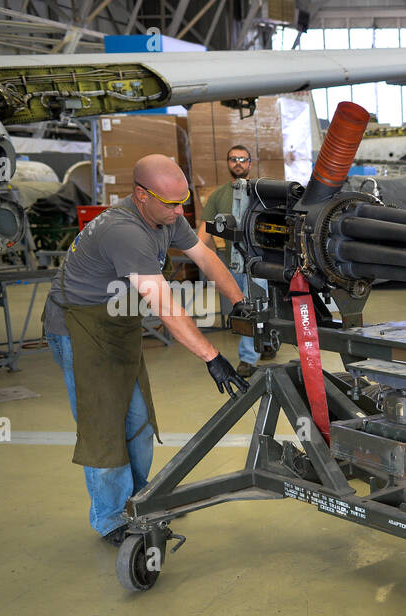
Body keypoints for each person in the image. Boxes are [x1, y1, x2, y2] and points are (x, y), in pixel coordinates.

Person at [43, 154, 250, 546]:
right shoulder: (126, 231)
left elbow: (206, 257)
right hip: (79, 329)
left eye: (183, 201)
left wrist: (240, 303)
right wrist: (213, 356)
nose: (179, 211)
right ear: (141, 195)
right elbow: (165, 306)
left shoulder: (166, 216)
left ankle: (139, 501)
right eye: (171, 203)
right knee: (105, 429)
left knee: (137, 425)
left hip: (117, 325)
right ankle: (110, 519)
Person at [197, 143, 273, 378]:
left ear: (250, 163)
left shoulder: (262, 191)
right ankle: (261, 345)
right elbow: (206, 229)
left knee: (259, 306)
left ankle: (250, 357)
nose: (238, 163)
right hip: (234, 263)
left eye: (242, 159)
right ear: (228, 164)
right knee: (245, 309)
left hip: (260, 263)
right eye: (233, 159)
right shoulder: (219, 196)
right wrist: (199, 254)